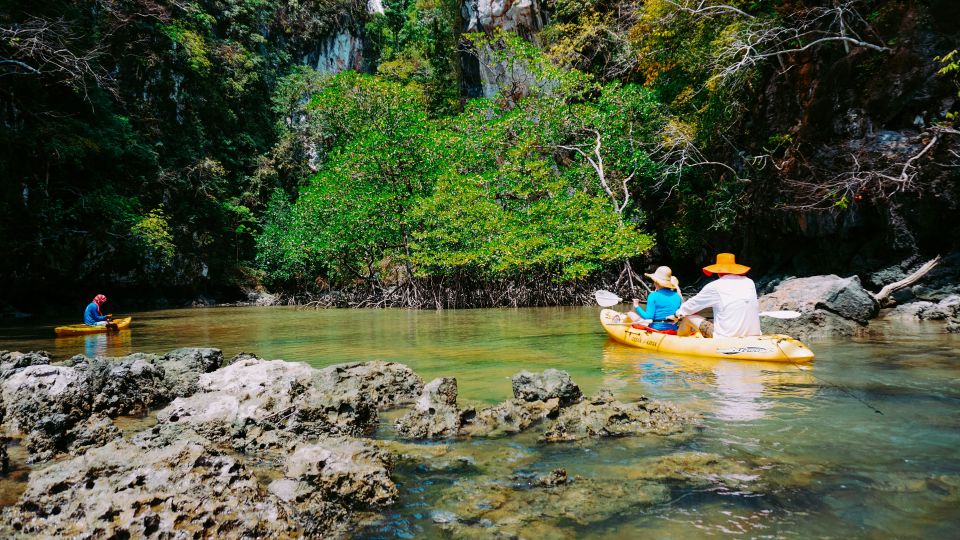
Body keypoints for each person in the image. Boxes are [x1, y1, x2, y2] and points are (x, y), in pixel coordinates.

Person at [672, 253, 761, 338]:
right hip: (753, 335)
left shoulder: (715, 286)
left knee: (687, 317)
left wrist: (676, 315)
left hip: (726, 338)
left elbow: (691, 306)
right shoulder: (750, 282)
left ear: (718, 271)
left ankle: (680, 343)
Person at [627, 266, 682, 334]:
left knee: (630, 313)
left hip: (656, 329)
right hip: (673, 328)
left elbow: (648, 317)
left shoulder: (653, 296)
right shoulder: (677, 296)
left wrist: (636, 306)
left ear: (656, 282)